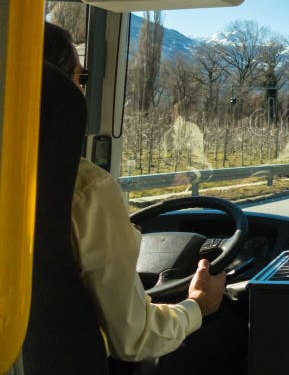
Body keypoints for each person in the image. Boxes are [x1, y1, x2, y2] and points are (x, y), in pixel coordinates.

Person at [42, 22, 227, 362]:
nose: (82, 92)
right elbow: (136, 338)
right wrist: (198, 304)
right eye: (80, 80)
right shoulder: (84, 188)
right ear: (56, 90)